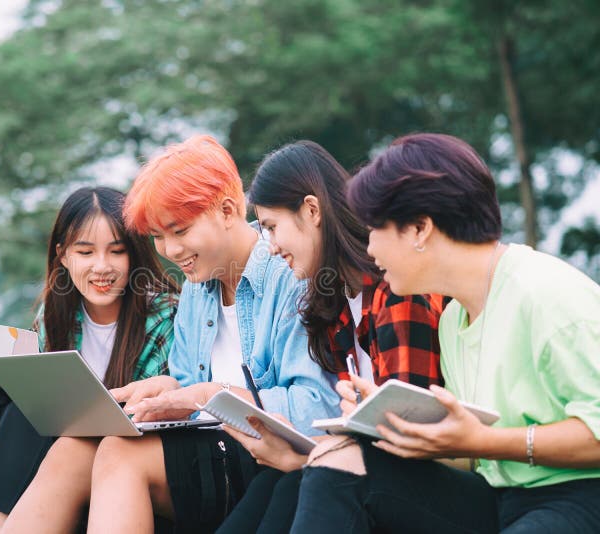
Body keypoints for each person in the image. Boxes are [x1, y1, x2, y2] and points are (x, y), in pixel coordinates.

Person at [289, 133, 600, 533]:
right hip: (496, 497)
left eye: (375, 229)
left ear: (420, 228)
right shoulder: (455, 319)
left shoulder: (546, 294)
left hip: (581, 497)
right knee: (341, 457)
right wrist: (390, 421)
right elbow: (467, 457)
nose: (370, 248)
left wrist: (484, 443)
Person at [67, 134, 339, 533]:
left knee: (120, 455)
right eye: (157, 236)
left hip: (268, 459)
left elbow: (315, 407)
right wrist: (167, 390)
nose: (170, 250)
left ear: (228, 209)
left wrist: (210, 396)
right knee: (87, 447)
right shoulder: (197, 286)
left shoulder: (291, 272)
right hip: (217, 447)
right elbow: (192, 385)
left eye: (179, 230)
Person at [215, 140, 447, 533]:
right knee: (277, 485)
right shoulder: (336, 309)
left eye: (272, 228)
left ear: (312, 209)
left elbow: (411, 445)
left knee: (296, 479)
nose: (270, 248)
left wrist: (303, 461)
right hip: (356, 475)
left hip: (420, 487)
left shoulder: (396, 293)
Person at [0, 187, 179, 533]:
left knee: (21, 415)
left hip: (117, 458)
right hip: (53, 458)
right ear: (63, 255)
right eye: (85, 252)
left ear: (133, 255)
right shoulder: (58, 312)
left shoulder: (162, 315)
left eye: (116, 251)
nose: (101, 267)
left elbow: (153, 417)